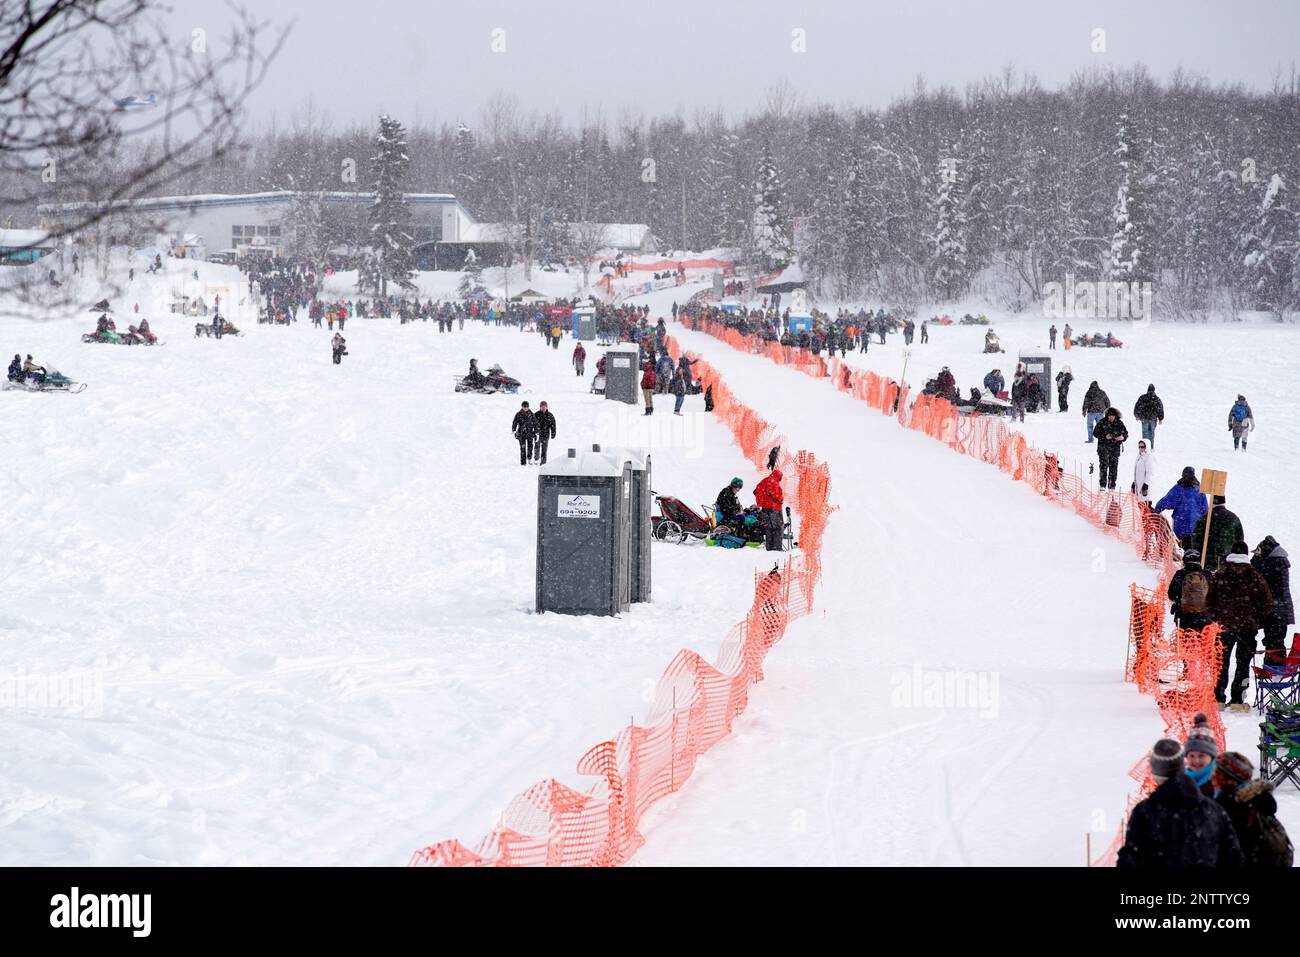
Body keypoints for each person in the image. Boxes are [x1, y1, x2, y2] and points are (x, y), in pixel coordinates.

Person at [1116, 737, 1242, 868]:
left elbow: (1130, 860)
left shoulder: (1145, 812)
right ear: (1183, 766)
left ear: (1155, 772)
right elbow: (1233, 857)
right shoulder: (1213, 809)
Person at [1208, 541, 1274, 711]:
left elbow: (1209, 600)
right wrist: (1255, 618)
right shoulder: (1254, 575)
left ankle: (1218, 698)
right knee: (1243, 663)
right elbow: (1267, 603)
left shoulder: (1220, 574)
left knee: (1220, 662)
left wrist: (1216, 617)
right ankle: (1238, 699)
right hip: (1247, 627)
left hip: (1224, 627)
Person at [1212, 752, 1294, 867]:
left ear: (1227, 778)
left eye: (1215, 773)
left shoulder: (1232, 806)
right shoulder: (1257, 799)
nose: (1212, 777)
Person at [1252, 536, 1294, 667]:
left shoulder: (1272, 564)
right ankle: (1275, 666)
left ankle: (1274, 667)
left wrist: (1256, 559)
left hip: (1274, 610)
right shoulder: (1280, 562)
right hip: (1281, 609)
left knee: (1273, 640)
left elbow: (1256, 571)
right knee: (1276, 640)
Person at [1154, 467, 1209, 548]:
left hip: (1180, 526)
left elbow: (1166, 501)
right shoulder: (1199, 490)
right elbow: (1205, 509)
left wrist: (1156, 511)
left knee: (1181, 551)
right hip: (1194, 527)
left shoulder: (1178, 488)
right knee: (1192, 551)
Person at [1192, 496, 1244, 572]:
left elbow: (1195, 539)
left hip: (1207, 559)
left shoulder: (1205, 518)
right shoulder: (1234, 518)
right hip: (1227, 560)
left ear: (1212, 502)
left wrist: (1199, 554)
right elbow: (1240, 540)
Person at [1168, 550, 1213, 633]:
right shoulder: (1207, 574)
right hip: (1204, 617)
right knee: (1202, 644)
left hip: (1184, 617)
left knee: (1185, 642)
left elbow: (1171, 595)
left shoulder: (1180, 574)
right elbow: (1214, 595)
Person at [1092, 407, 1127, 490]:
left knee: (1113, 468)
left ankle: (1112, 485)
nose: (1111, 417)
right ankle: (1102, 485)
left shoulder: (1119, 423)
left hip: (1115, 449)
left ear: (1116, 416)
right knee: (1103, 467)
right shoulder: (1102, 422)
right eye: (1109, 415)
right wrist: (1105, 436)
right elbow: (1095, 433)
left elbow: (1125, 433)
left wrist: (1122, 437)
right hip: (1103, 448)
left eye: (1113, 415)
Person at [1183, 714, 1219, 796]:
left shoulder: (1218, 782)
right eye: (1191, 756)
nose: (1196, 761)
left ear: (1212, 756)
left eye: (1201, 755)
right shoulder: (1183, 780)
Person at [753, 469, 785, 552]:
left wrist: (763, 500)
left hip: (764, 509)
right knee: (778, 528)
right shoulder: (773, 482)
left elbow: (756, 491)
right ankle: (777, 548)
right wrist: (781, 499)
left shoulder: (765, 480)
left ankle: (769, 547)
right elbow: (773, 494)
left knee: (768, 528)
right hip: (774, 509)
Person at [1133, 384, 1165, 448]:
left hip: (1144, 418)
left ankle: (1145, 447)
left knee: (1145, 433)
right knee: (1151, 433)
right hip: (1153, 419)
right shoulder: (1157, 399)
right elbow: (1160, 409)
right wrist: (1160, 418)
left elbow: (1137, 407)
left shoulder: (1142, 397)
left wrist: (1137, 415)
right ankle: (1151, 447)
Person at [512, 401, 537, 465]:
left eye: (527, 407)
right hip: (521, 434)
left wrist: (536, 432)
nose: (526, 408)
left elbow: (536, 424)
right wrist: (514, 431)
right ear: (522, 407)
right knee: (522, 448)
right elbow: (515, 422)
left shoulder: (531, 414)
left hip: (530, 433)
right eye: (524, 407)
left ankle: (529, 459)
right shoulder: (518, 414)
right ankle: (523, 462)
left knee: (530, 447)